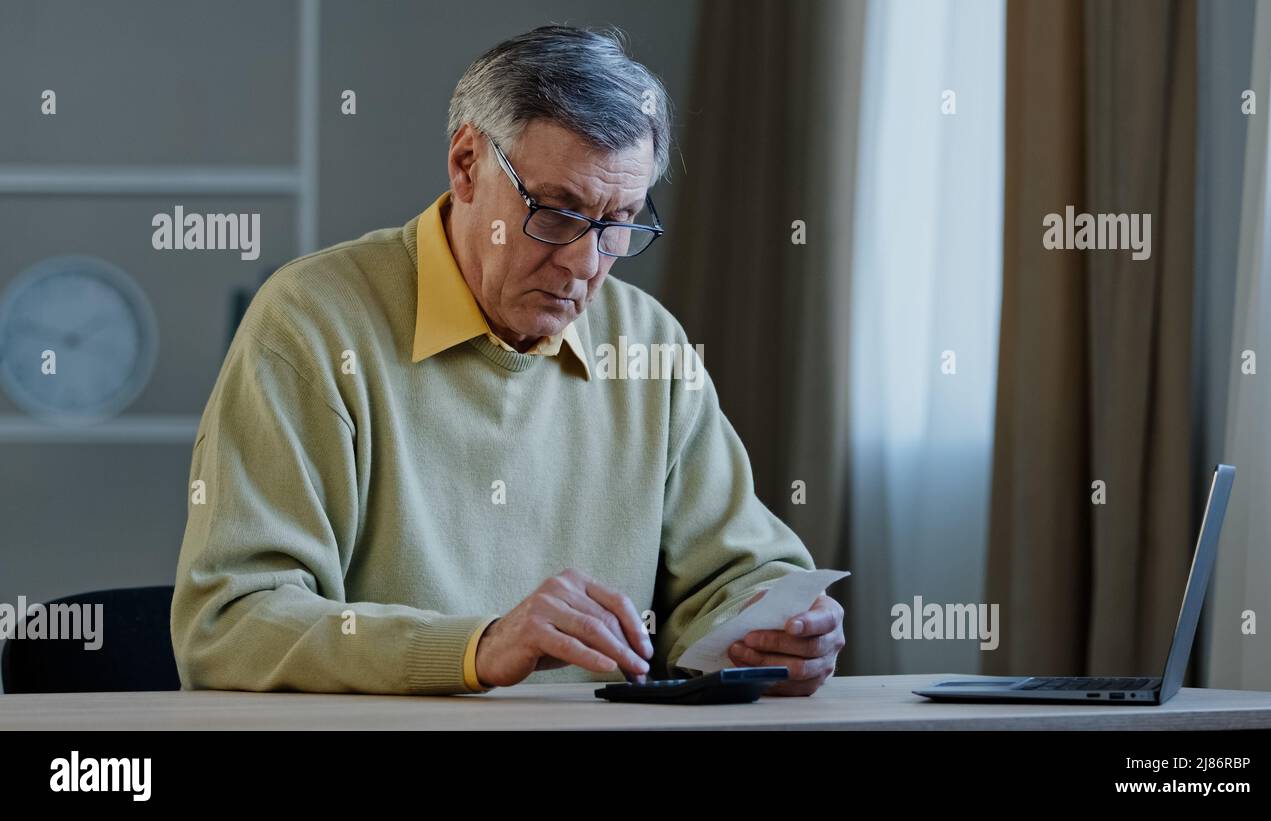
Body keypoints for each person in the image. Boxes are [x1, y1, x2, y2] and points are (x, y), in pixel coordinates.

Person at [171, 25, 844, 697]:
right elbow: (231, 624)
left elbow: (734, 578)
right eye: (556, 212)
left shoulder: (648, 346)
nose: (586, 262)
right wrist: (476, 645)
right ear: (467, 164)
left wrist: (774, 631)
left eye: (620, 223)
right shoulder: (311, 323)